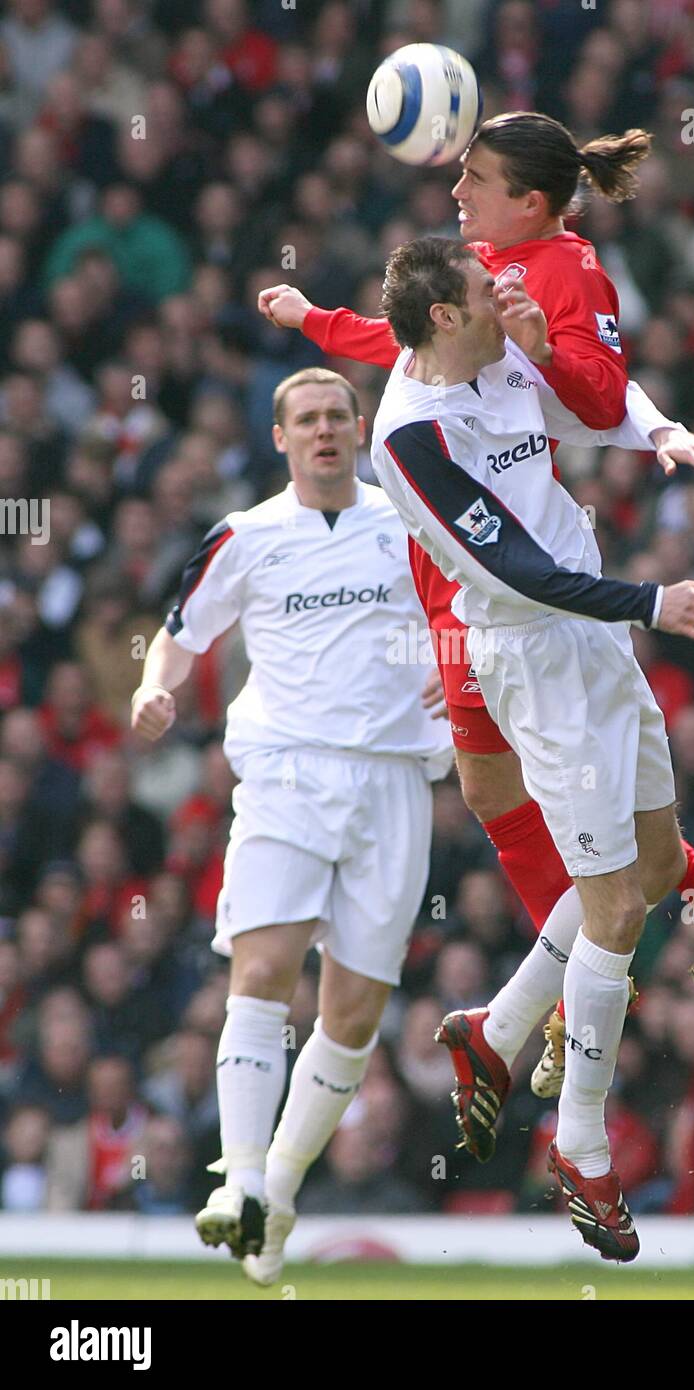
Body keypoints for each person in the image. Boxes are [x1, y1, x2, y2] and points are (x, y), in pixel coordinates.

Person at [258, 112, 694, 1104]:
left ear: (527, 198)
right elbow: (411, 345)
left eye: (473, 179)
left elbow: (595, 395)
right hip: (451, 567)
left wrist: (644, 423)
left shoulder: (564, 271)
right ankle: (692, 886)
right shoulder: (482, 264)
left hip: (498, 582)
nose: (455, 195)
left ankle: (553, 1014)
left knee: (512, 800)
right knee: (500, 799)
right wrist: (316, 321)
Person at [369, 235, 694, 1261]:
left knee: (659, 863)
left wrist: (657, 427)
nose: (507, 288)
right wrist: (651, 603)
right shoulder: (408, 435)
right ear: (442, 318)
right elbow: (522, 571)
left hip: (590, 638)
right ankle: (577, 1144)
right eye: (485, 289)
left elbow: (592, 404)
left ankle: (491, 1032)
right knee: (617, 901)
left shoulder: (493, 351)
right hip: (531, 652)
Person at [131, 367, 453, 1283]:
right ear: (279, 439)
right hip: (285, 775)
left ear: (359, 428)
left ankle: (279, 1184)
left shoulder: (411, 519)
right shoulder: (246, 535)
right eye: (304, 420)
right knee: (263, 971)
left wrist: (458, 658)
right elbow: (177, 633)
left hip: (394, 778)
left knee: (352, 1014)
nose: (322, 432)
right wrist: (153, 687)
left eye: (335, 418)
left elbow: (471, 604)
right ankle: (236, 1181)